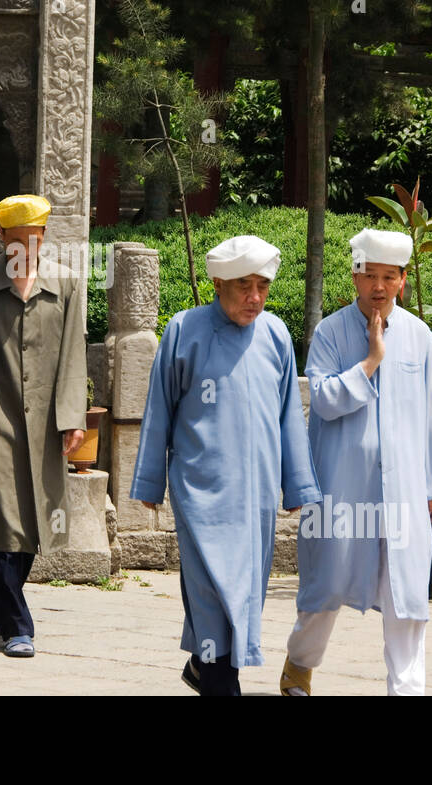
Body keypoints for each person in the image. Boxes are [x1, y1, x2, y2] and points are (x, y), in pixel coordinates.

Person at [130, 235, 321, 696]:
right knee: (211, 590)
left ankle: (204, 667)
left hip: (254, 496)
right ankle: (219, 682)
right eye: (242, 286)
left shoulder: (275, 335)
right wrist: (150, 482)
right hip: (199, 493)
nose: (254, 297)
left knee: (243, 592)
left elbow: (287, 416)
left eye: (262, 286)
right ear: (218, 283)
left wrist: (297, 486)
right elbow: (160, 409)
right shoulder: (183, 329)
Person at [281, 228, 432, 697]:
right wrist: (372, 360)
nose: (378, 286)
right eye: (369, 275)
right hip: (341, 487)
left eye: (389, 277)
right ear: (355, 276)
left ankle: (406, 689)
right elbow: (326, 399)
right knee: (326, 585)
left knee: (406, 595)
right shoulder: (331, 332)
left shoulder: (420, 337)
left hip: (405, 491)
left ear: (403, 279)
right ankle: (300, 664)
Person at [0, 194, 87, 658]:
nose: (22, 251)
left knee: (36, 519)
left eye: (31, 242)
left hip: (47, 418)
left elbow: (75, 353)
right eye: (13, 242)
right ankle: (18, 624)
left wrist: (72, 416)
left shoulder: (68, 284)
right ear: (2, 240)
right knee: (2, 517)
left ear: (43, 239)